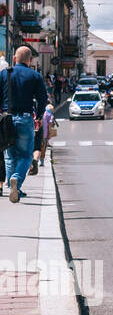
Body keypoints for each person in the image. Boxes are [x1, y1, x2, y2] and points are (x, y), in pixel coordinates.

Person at [1, 46, 49, 203]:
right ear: (30, 60)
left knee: (9, 156)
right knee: (26, 155)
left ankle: (14, 187)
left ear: (14, 58)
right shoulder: (34, 76)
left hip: (6, 119)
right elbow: (42, 98)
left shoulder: (4, 74)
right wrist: (40, 116)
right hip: (25, 118)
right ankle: (17, 180)